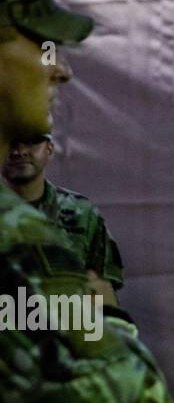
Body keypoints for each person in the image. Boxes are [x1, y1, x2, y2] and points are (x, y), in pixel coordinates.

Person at [0, 0, 173, 403]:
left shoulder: (73, 217)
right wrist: (104, 322)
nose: (60, 68)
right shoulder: (15, 237)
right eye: (39, 43)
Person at [4, 131, 124, 305]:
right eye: (9, 142)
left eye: (32, 141)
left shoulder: (81, 213)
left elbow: (104, 292)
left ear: (49, 149)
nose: (20, 151)